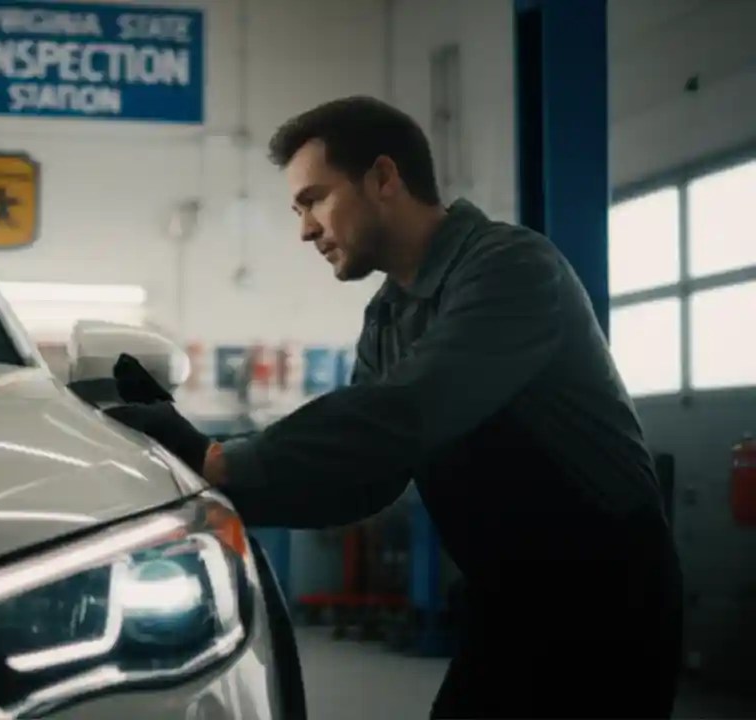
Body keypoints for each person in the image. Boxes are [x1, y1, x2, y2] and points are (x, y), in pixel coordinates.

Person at [104, 96, 683, 719]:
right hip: (510, 601)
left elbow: (406, 410)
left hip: (606, 602)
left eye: (315, 200)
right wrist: (211, 477)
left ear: (383, 178)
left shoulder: (512, 268)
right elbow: (365, 476)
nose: (304, 229)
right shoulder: (388, 316)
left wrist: (224, 461)